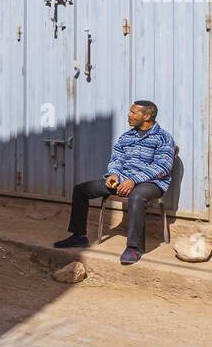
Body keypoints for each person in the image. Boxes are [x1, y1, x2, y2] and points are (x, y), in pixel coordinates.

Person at [54, 101, 175, 264]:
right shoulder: (126, 137)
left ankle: (134, 248)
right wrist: (113, 175)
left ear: (147, 116)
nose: (129, 115)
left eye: (133, 113)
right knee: (81, 190)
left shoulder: (163, 137)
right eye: (129, 112)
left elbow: (162, 166)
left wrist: (134, 180)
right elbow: (116, 159)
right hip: (123, 180)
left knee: (137, 196)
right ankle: (79, 236)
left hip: (152, 183)